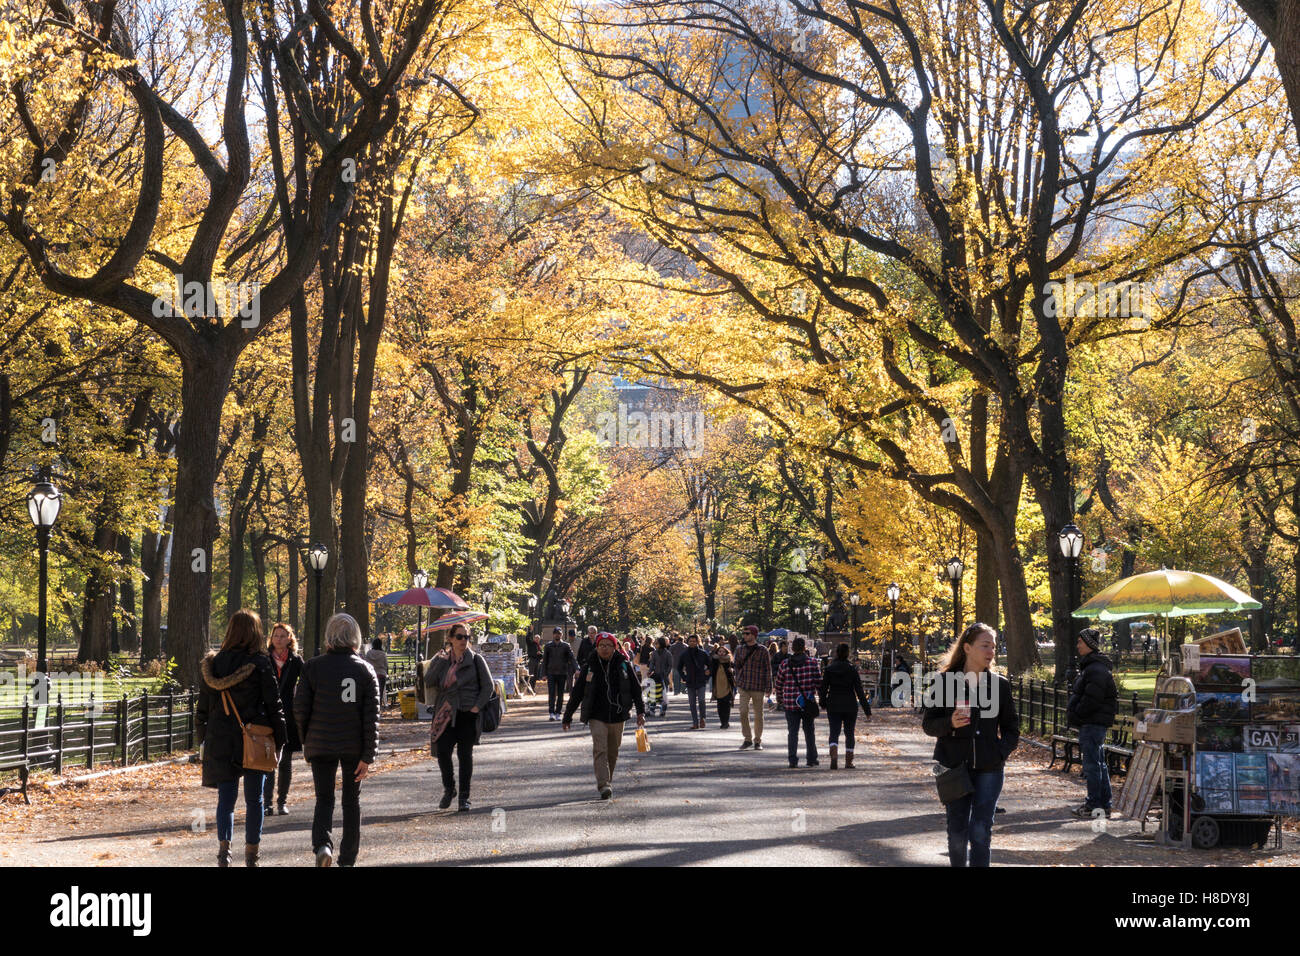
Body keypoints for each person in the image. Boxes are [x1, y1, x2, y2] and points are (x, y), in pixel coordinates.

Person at [921, 622, 1020, 867]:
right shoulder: (944, 682)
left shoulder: (999, 685)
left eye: (994, 647)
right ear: (967, 647)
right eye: (985, 645)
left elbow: (1011, 728)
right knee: (957, 831)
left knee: (980, 830)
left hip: (989, 767)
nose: (991, 652)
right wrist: (950, 723)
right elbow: (928, 724)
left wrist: (1000, 752)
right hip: (953, 766)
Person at [195, 609, 287, 867]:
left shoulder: (213, 664)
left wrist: (204, 739)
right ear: (256, 632)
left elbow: (202, 709)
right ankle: (252, 855)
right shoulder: (260, 663)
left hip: (221, 740)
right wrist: (279, 742)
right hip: (254, 738)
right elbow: (274, 704)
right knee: (255, 799)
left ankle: (224, 852)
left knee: (226, 799)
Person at [294, 613, 380, 867]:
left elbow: (300, 708)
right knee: (351, 801)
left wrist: (307, 740)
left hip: (321, 743)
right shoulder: (365, 670)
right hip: (353, 745)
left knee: (324, 798)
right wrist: (368, 755)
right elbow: (371, 717)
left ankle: (323, 844)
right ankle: (348, 858)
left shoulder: (312, 667)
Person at [563, 633, 647, 799]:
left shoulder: (623, 664)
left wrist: (641, 712)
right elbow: (578, 692)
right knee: (600, 750)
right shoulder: (589, 666)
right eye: (601, 645)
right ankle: (603, 785)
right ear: (597, 647)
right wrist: (567, 716)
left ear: (615, 647)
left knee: (612, 752)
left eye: (608, 645)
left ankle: (607, 779)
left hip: (618, 715)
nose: (604, 648)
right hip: (596, 715)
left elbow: (636, 690)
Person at [424, 624, 494, 811]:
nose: (464, 640)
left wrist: (476, 708)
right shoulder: (442, 660)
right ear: (450, 638)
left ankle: (464, 798)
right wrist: (440, 660)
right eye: (460, 637)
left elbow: (488, 686)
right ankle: (449, 789)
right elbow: (428, 680)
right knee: (442, 752)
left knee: (465, 756)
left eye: (467, 637)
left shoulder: (476, 660)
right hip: (445, 714)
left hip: (467, 713)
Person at [1067, 627, 1118, 819]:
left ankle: (1094, 804)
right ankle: (1103, 804)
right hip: (1093, 722)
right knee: (1098, 764)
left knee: (1092, 765)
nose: (1078, 645)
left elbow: (1092, 699)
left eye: (1081, 642)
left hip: (1092, 723)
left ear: (1089, 644)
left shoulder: (1095, 669)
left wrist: (1077, 713)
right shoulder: (1093, 667)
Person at [263, 621, 303, 815]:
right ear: (271, 639)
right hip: (268, 714)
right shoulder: (264, 659)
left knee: (285, 761)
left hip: (288, 715)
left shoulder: (295, 661)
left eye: (282, 636)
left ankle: (282, 801)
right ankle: (267, 803)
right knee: (269, 760)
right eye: (276, 636)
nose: (278, 639)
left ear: (289, 639)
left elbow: (306, 682)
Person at [820, 642, 871, 769]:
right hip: (849, 704)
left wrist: (823, 703)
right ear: (848, 654)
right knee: (849, 733)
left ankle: (834, 754)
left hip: (834, 703)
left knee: (834, 731)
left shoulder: (829, 669)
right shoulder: (852, 669)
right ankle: (848, 760)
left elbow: (823, 688)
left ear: (836, 653)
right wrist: (867, 710)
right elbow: (859, 690)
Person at [774, 637, 822, 768]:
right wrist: (821, 698)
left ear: (792, 649)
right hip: (807, 703)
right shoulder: (812, 663)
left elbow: (778, 684)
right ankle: (811, 758)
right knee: (809, 731)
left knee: (792, 732)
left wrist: (780, 699)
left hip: (790, 703)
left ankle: (792, 760)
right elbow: (819, 683)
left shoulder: (785, 664)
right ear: (804, 648)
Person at [733, 626, 771, 750]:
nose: (744, 635)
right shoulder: (739, 649)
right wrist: (738, 679)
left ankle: (757, 740)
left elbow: (767, 669)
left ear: (754, 635)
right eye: (743, 633)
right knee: (743, 711)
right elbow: (736, 666)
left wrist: (769, 687)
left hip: (758, 685)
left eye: (747, 633)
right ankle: (747, 738)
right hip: (744, 685)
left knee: (758, 714)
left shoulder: (763, 650)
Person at [676, 634, 712, 729]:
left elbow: (710, 665)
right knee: (692, 703)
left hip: (701, 680)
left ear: (697, 642)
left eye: (694, 641)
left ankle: (703, 719)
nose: (692, 643)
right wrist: (684, 677)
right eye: (690, 641)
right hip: (690, 681)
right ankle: (695, 723)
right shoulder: (684, 654)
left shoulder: (703, 653)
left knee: (701, 701)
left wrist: (707, 673)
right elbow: (679, 668)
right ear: (688, 642)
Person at [543, 626, 576, 720]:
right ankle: (551, 713)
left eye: (559, 633)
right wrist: (544, 674)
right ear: (553, 634)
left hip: (562, 672)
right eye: (556, 633)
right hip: (551, 672)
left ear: (561, 635)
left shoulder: (566, 646)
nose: (558, 635)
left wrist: (577, 668)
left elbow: (572, 658)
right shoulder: (548, 646)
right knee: (552, 693)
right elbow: (545, 660)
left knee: (561, 694)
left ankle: (558, 712)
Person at [710, 644, 736, 729]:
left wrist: (732, 670)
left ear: (726, 652)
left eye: (723, 651)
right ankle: (722, 721)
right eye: (719, 651)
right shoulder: (714, 660)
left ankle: (726, 722)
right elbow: (711, 670)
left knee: (726, 704)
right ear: (717, 652)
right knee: (720, 704)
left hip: (727, 685)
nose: (721, 653)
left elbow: (735, 669)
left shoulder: (729, 661)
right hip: (718, 685)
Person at [649, 637, 673, 717]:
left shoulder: (668, 653)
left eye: (657, 643)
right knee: (653, 693)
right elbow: (652, 663)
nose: (655, 645)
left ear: (661, 644)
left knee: (663, 694)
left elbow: (670, 665)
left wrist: (666, 673)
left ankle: (663, 710)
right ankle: (652, 710)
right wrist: (650, 671)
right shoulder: (654, 653)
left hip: (664, 677)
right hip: (655, 675)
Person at [365, 637, 389, 709]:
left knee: (371, 692)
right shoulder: (383, 654)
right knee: (380, 692)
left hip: (371, 674)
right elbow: (386, 665)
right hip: (381, 674)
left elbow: (366, 663)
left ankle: (371, 706)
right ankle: (379, 707)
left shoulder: (369, 653)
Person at [768, 640, 786, 706]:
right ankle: (779, 703)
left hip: (787, 675)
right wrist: (780, 665)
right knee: (779, 689)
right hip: (777, 674)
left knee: (785, 689)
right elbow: (772, 664)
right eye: (784, 646)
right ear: (780, 647)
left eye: (786, 646)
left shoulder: (789, 655)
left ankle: (784, 702)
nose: (785, 648)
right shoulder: (777, 655)